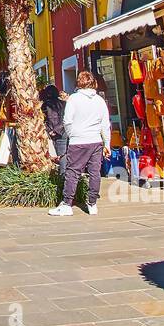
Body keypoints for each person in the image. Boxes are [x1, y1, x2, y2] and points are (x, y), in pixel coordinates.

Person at [51, 71, 110, 217]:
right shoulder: (99, 100)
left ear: (79, 82)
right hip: (96, 141)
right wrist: (107, 143)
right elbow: (105, 124)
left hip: (78, 141)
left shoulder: (74, 99)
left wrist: (73, 135)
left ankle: (67, 204)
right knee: (94, 173)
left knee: (73, 172)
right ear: (93, 83)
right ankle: (92, 203)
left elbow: (67, 121)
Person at [39, 84, 68, 178]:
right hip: (63, 132)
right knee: (63, 155)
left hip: (51, 133)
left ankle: (54, 177)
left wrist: (50, 130)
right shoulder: (64, 103)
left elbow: (44, 119)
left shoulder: (44, 105)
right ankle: (63, 177)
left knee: (50, 156)